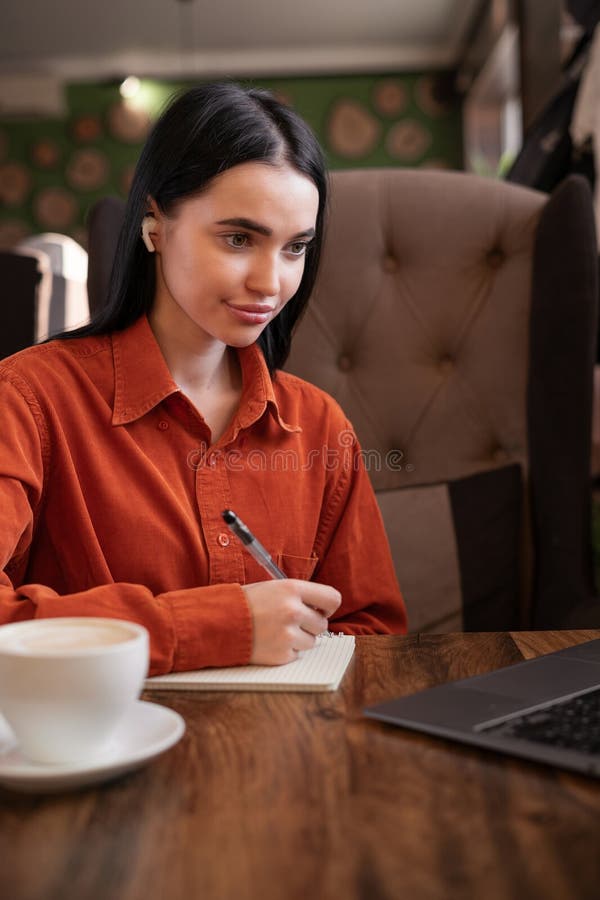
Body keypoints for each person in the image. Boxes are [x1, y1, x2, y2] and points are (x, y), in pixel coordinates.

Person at [0, 82, 406, 675]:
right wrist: (219, 627)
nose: (271, 283)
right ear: (155, 223)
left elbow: (373, 636)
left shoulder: (319, 426)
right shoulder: (30, 399)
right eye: (239, 238)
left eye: (295, 248)